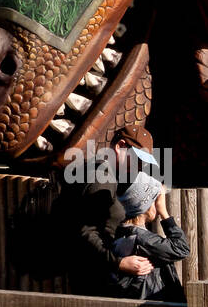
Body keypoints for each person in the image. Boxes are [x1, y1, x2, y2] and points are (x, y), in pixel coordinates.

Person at [52, 125, 160, 296]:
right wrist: (118, 263)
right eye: (139, 159)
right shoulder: (101, 179)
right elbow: (84, 231)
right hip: (90, 278)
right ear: (120, 147)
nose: (142, 166)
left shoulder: (103, 170)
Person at [111, 173, 190, 301]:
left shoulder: (121, 232)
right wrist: (164, 213)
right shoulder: (142, 239)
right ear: (146, 206)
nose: (158, 205)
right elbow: (181, 248)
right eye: (155, 201)